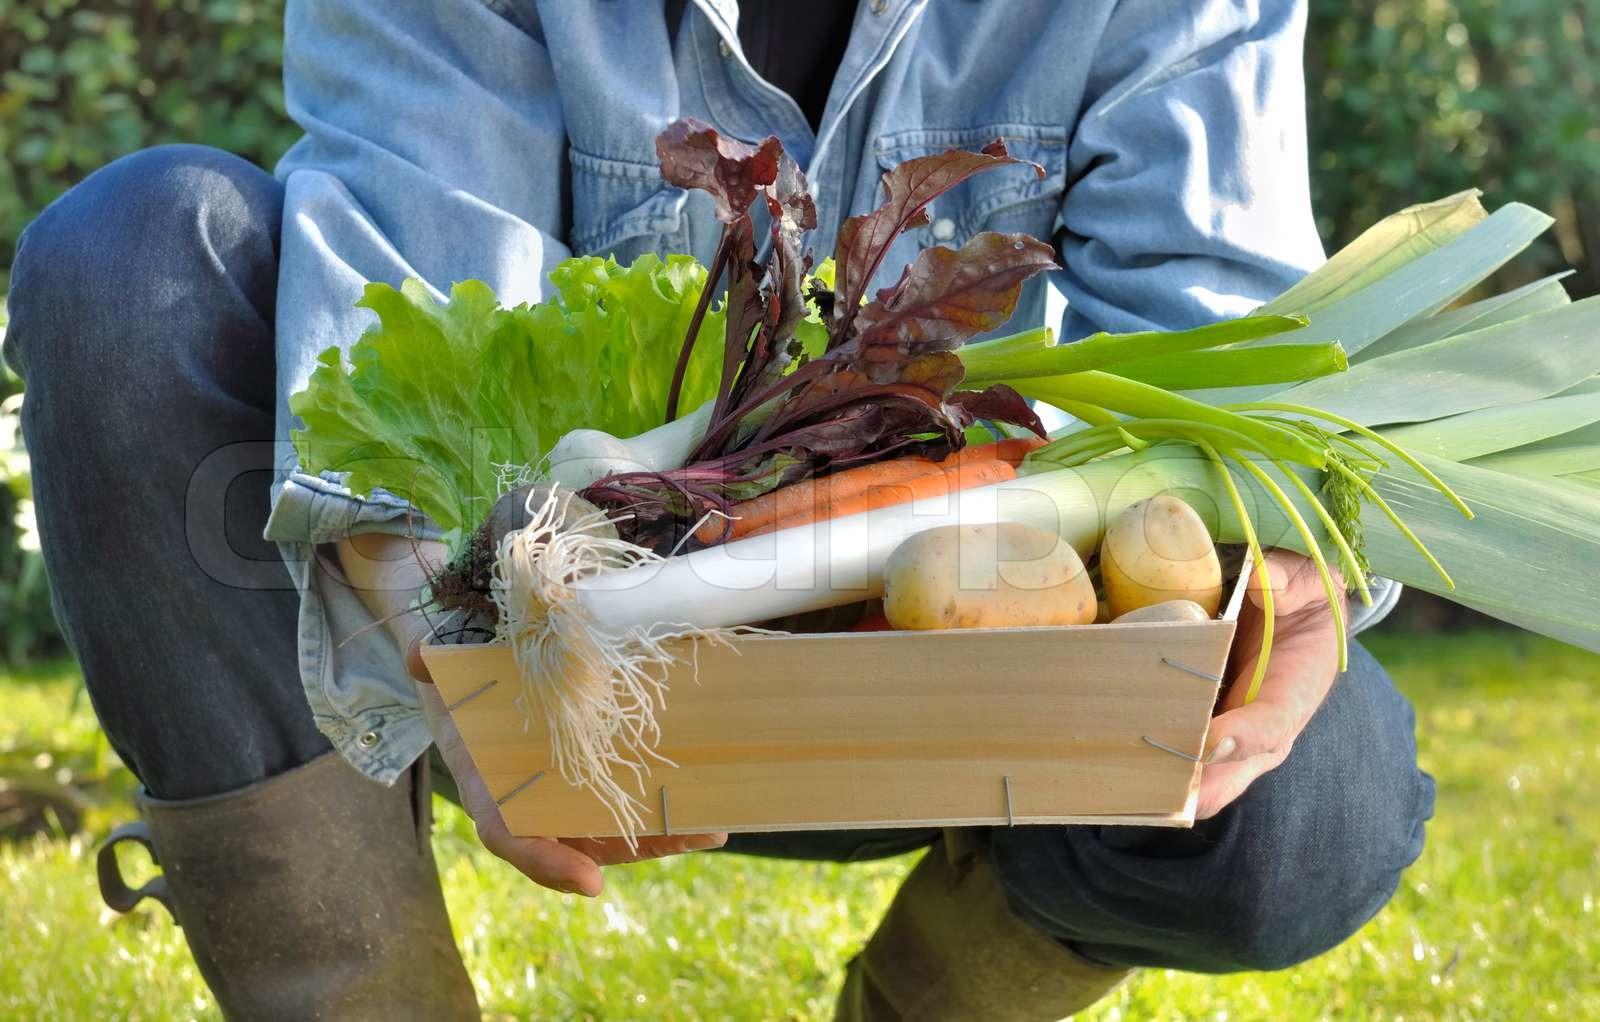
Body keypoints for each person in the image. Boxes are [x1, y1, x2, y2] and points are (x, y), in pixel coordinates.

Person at [4, 1, 1434, 1018]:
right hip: (535, 680)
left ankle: (932, 1004)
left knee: (1318, 788)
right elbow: (408, 289)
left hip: (966, 699)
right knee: (128, 266)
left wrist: (1284, 547)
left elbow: (1220, 339)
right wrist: (455, 661)